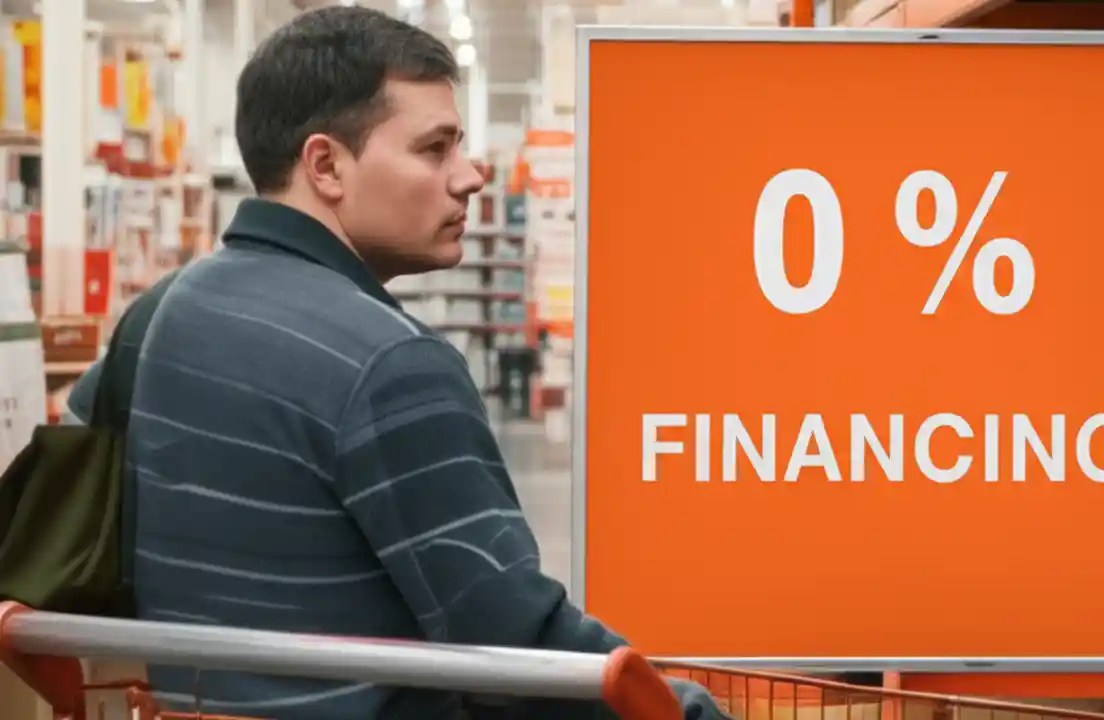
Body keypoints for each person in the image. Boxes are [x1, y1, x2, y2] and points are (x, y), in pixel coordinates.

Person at [64, 7, 724, 719]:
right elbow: (516, 648)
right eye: (434, 149)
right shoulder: (391, 365)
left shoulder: (157, 315)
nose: (470, 177)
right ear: (326, 166)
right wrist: (688, 709)